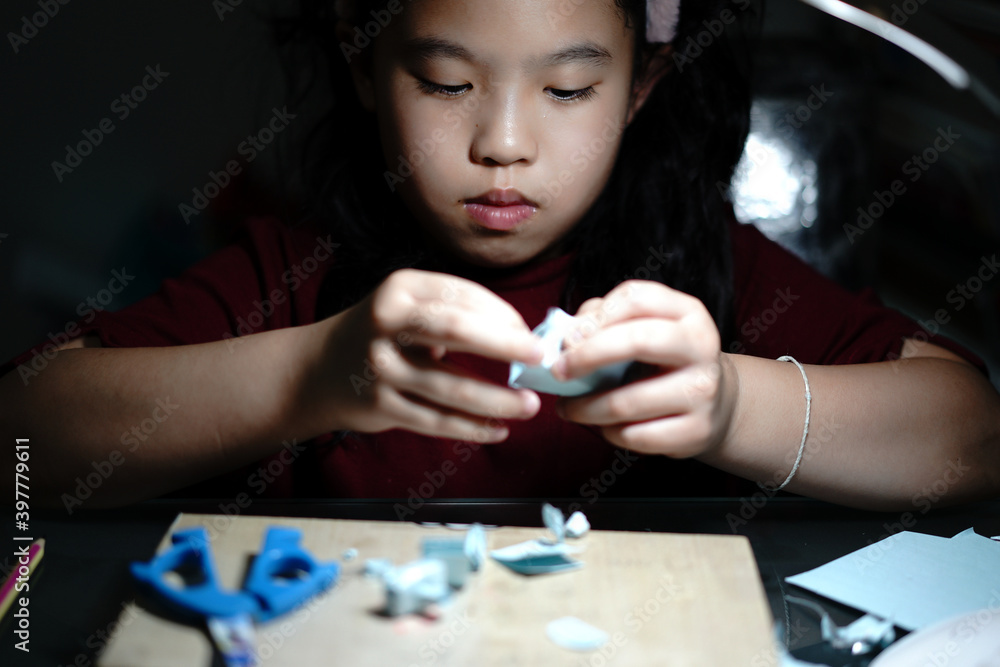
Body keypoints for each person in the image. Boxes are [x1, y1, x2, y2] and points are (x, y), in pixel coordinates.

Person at [2, 0, 998, 512]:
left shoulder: (711, 274)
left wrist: (732, 406)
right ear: (364, 62)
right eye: (444, 82)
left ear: (642, 87)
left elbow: (970, 440)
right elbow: (24, 446)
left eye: (567, 91)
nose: (505, 144)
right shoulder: (299, 273)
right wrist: (311, 371)